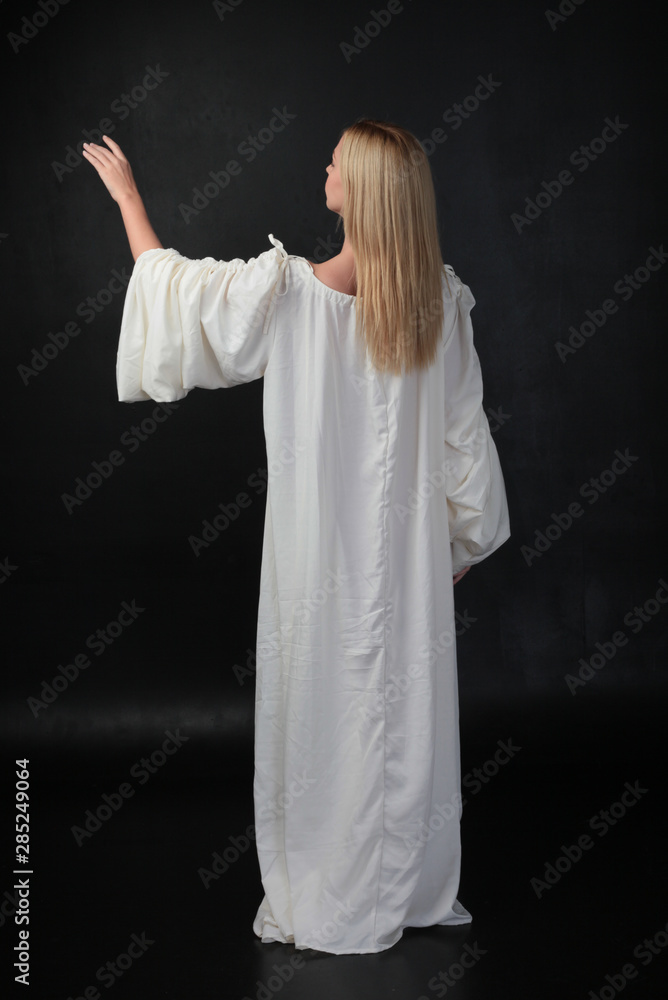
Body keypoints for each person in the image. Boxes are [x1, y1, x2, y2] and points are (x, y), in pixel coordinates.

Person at [83, 118, 510, 954]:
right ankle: (401, 883)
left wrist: (130, 199)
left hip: (317, 566)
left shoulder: (287, 293)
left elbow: (176, 295)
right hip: (407, 569)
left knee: (324, 712)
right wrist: (459, 544)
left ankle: (332, 886)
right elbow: (468, 440)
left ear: (363, 194)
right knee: (398, 715)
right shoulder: (440, 307)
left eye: (337, 162)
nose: (326, 167)